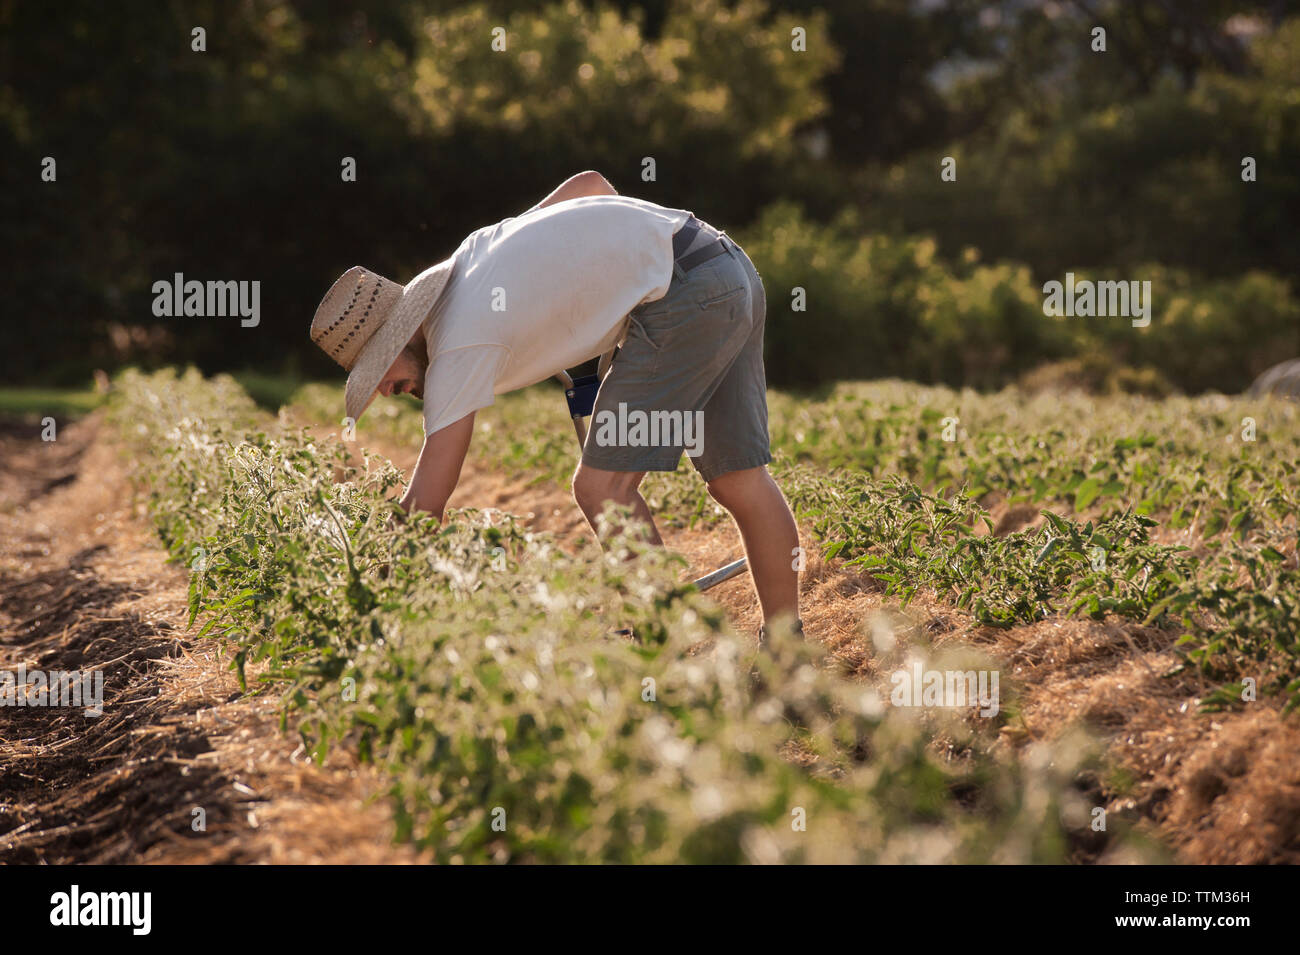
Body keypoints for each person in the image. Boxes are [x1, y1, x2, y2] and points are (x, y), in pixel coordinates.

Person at [309, 171, 801, 636]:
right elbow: (591, 185)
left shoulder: (456, 345)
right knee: (740, 479)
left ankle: (663, 652)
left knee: (602, 488)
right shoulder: (475, 257)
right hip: (724, 266)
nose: (382, 390)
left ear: (397, 339)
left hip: (686, 300)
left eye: (377, 372)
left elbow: (425, 507)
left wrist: (374, 605)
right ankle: (786, 650)